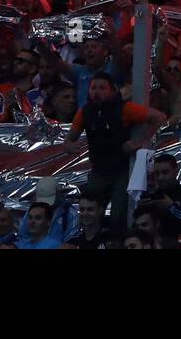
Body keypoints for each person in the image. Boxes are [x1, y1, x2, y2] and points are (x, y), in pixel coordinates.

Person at [65, 73, 165, 227]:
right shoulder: (85, 112)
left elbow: (159, 117)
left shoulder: (125, 109)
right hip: (98, 170)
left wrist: (141, 141)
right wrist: (70, 146)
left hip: (121, 171)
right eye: (93, 88)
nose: (96, 92)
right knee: (88, 215)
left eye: (102, 88)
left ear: (113, 90)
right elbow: (69, 140)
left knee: (118, 215)